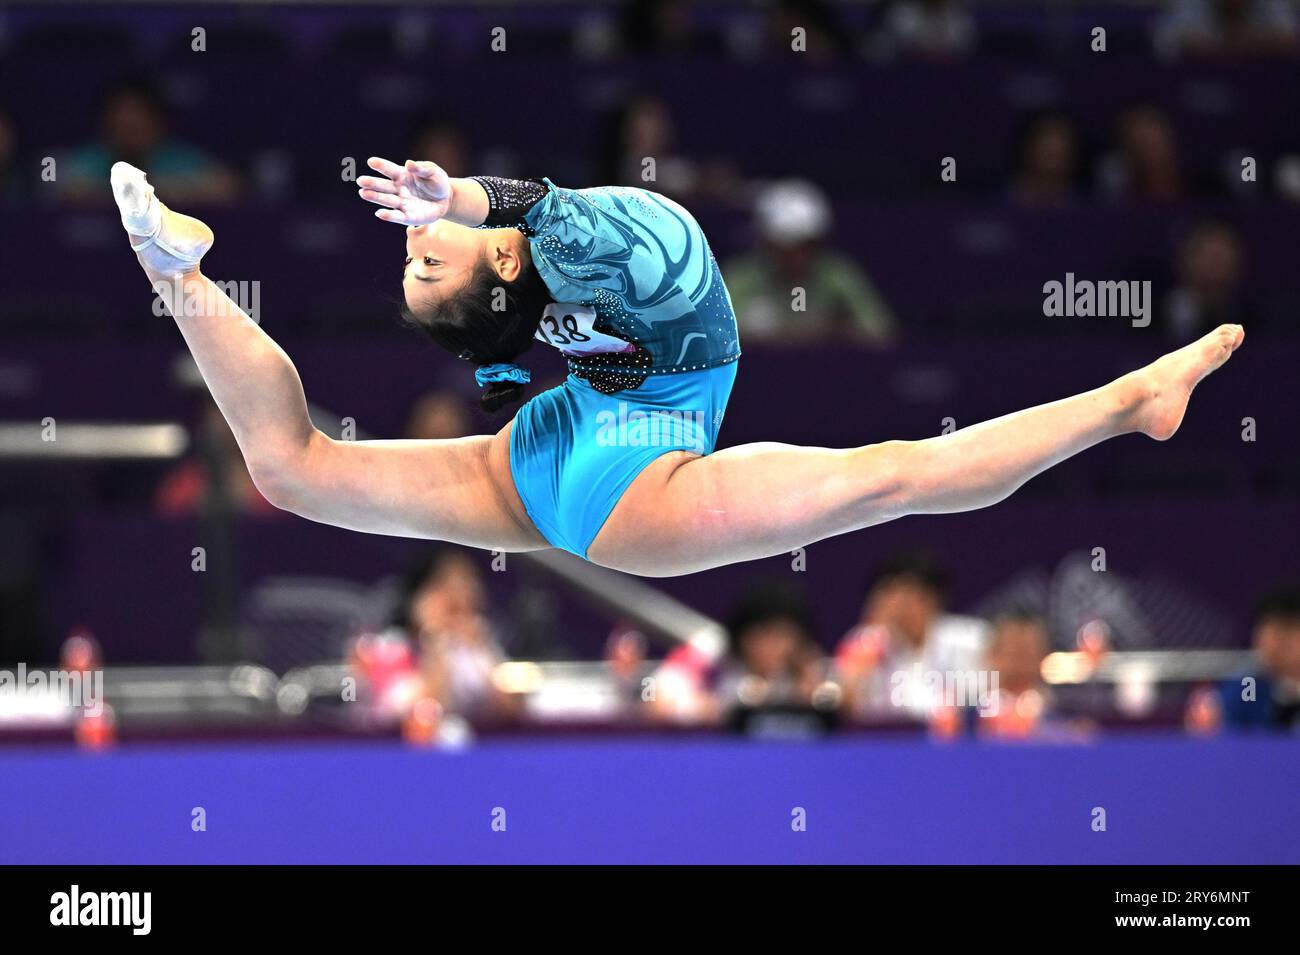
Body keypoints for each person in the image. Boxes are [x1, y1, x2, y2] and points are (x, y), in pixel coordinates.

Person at [109, 158, 1244, 579]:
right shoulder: (627, 250)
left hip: (583, 459)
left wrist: (466, 208)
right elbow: (545, 233)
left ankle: (1130, 400)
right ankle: (178, 269)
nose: (409, 246)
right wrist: (462, 203)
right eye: (424, 265)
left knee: (299, 472)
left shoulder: (588, 261)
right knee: (892, 474)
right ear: (504, 264)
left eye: (414, 256)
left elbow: (539, 232)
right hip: (612, 472)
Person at [723, 180, 898, 343]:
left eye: (805, 246)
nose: (797, 257)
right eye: (785, 247)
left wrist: (838, 328)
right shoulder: (740, 278)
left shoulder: (838, 275)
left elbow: (881, 331)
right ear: (766, 243)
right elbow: (714, 337)